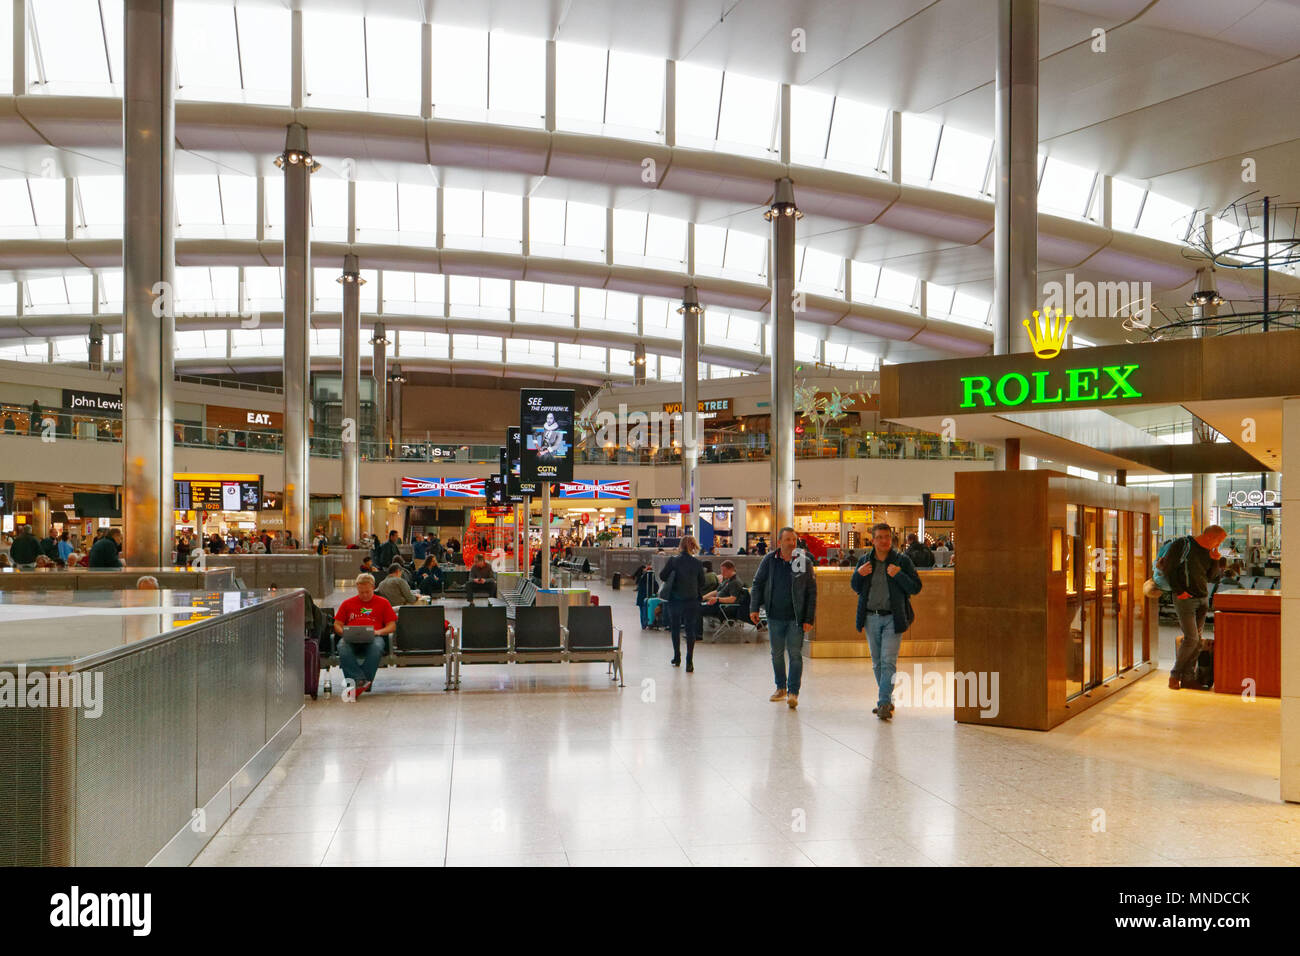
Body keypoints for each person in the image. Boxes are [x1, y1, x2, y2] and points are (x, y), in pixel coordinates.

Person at [852, 522, 924, 720]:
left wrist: (899, 575)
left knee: (888, 661)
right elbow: (855, 586)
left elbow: (916, 587)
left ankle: (883, 702)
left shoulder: (902, 561)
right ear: (873, 540)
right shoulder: (865, 561)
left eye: (887, 537)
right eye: (880, 537)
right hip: (870, 617)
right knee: (877, 663)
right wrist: (858, 575)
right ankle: (887, 698)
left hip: (893, 617)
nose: (885, 541)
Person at [750, 527, 817, 709]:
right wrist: (754, 607)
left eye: (794, 540)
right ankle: (781, 687)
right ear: (780, 542)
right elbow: (757, 584)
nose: (791, 543)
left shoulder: (802, 562)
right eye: (788, 540)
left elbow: (811, 591)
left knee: (795, 654)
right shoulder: (770, 560)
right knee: (777, 654)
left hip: (796, 617)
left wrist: (809, 618)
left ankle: (793, 692)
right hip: (774, 615)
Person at [1166, 524, 1227, 690]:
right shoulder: (1183, 545)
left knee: (1197, 640)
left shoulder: (1209, 552)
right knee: (1192, 638)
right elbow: (1168, 568)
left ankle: (1188, 678)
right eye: (1219, 541)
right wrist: (1179, 591)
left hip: (1202, 597)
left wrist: (1215, 560)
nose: (1218, 545)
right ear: (1210, 537)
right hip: (1185, 598)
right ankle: (1174, 675)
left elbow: (1210, 577)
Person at [332, 573, 398, 699]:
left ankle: (358, 683)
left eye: (367, 592)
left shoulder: (383, 603)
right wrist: (343, 633)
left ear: (373, 587)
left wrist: (379, 632)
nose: (364, 595)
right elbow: (337, 624)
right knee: (342, 646)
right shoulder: (347, 604)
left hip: (375, 636)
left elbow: (392, 626)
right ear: (357, 588)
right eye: (361, 592)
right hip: (351, 637)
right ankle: (362, 681)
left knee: (376, 647)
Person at [659, 536, 707, 671]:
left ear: (680, 546)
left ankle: (677, 657)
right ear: (693, 546)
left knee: (675, 628)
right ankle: (689, 661)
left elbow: (662, 576)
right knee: (690, 630)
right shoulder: (697, 563)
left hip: (675, 600)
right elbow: (702, 582)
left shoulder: (673, 561)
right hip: (692, 600)